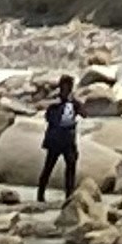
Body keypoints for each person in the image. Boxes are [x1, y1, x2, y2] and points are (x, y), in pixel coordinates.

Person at [35, 76, 82, 207]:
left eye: (69, 87)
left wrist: (76, 103)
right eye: (65, 87)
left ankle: (69, 195)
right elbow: (49, 118)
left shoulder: (74, 104)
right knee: (49, 167)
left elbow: (84, 113)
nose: (66, 90)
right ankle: (40, 194)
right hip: (56, 140)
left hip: (68, 140)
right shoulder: (54, 104)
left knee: (71, 167)